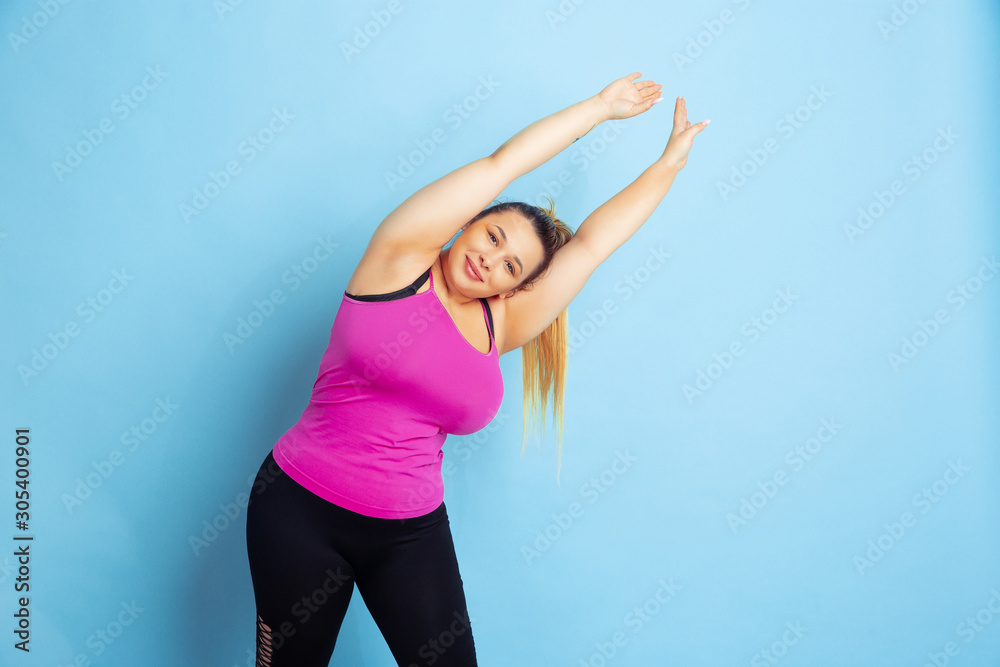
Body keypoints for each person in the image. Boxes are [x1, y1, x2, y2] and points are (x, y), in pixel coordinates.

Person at [244, 71, 708, 666]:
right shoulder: (400, 258)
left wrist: (669, 164)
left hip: (407, 533)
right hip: (299, 507)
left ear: (517, 287)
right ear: (469, 221)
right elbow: (500, 164)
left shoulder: (502, 326)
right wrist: (598, 108)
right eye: (491, 236)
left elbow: (592, 244)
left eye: (510, 265)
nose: (490, 260)